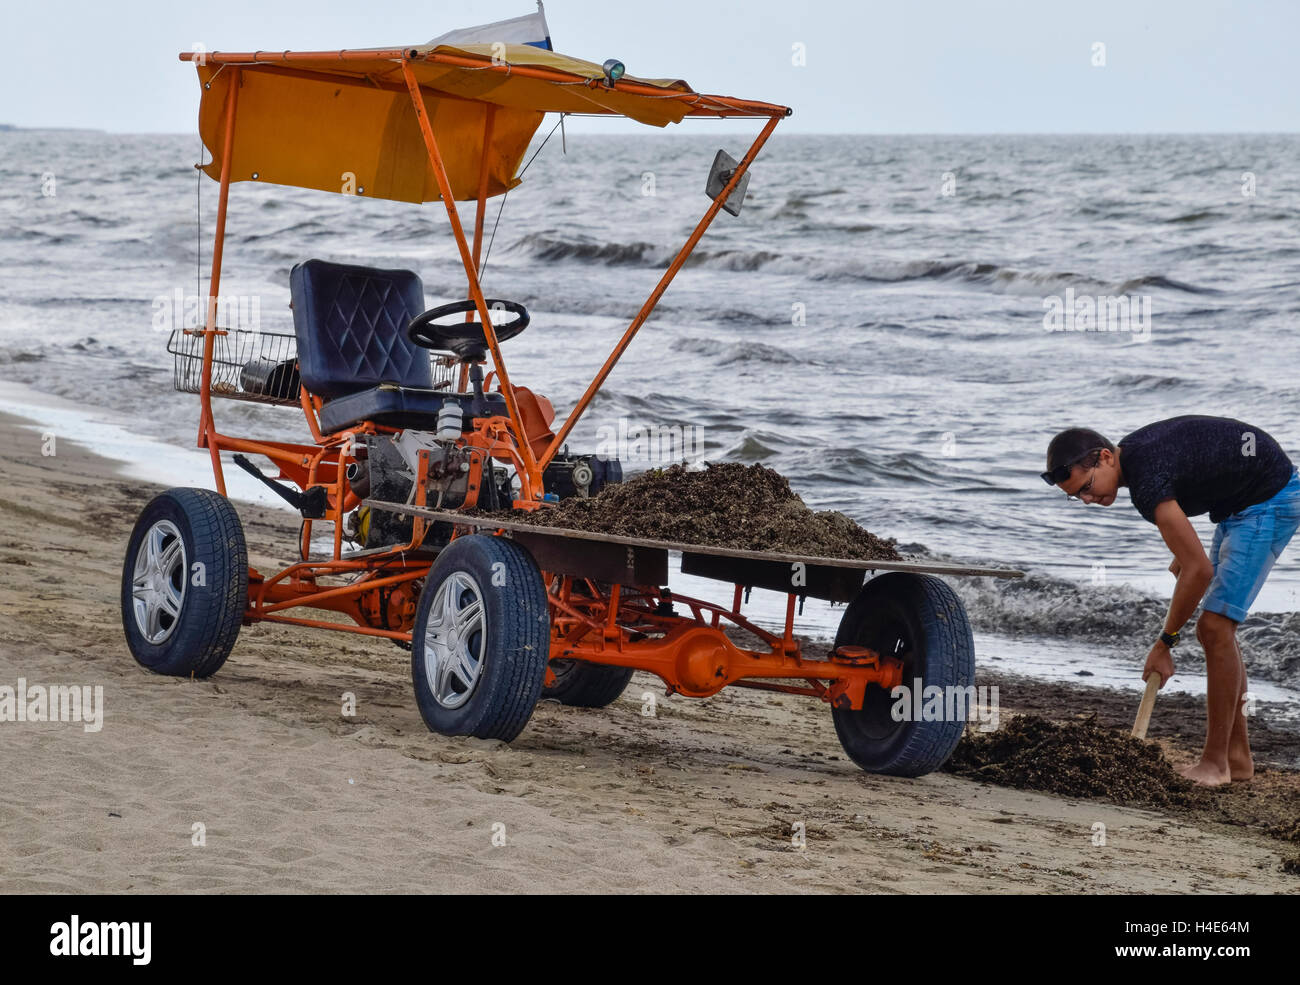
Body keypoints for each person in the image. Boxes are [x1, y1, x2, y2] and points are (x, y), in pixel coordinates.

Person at [1042, 415, 1300, 786]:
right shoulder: (1135, 458)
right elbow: (1194, 470)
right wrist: (1186, 554)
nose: (1087, 499)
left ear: (1105, 457)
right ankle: (1236, 758)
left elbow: (1199, 571)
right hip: (1239, 501)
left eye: (1086, 486)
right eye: (1077, 497)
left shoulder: (1146, 480)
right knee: (1217, 629)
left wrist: (1165, 644)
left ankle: (1215, 765)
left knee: (1214, 628)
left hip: (1268, 501)